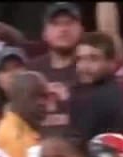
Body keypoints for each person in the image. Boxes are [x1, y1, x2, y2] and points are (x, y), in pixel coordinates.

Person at [70, 31, 123, 146]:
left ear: (112, 63)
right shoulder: (79, 92)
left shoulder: (110, 96)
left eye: (93, 59)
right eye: (80, 59)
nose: (84, 66)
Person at [29, 2, 84, 132]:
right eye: (55, 24)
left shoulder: (91, 68)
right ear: (44, 33)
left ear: (82, 30)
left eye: (69, 23)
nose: (63, 29)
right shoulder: (31, 70)